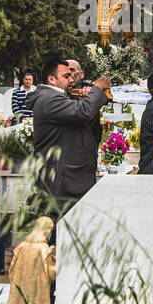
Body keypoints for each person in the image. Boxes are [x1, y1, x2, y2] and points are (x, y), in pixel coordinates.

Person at [30, 57, 111, 217]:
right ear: (51, 79)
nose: (71, 79)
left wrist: (84, 100)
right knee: (59, 235)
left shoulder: (57, 97)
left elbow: (82, 121)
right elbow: (83, 111)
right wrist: (97, 88)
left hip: (69, 182)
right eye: (66, 76)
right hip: (61, 185)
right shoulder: (48, 99)